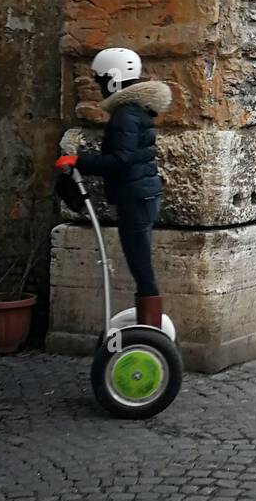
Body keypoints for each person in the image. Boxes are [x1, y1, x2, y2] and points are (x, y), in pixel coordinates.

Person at [55, 47, 172, 327]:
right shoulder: (134, 112)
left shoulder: (125, 115)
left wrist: (78, 161)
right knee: (140, 263)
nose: (98, 86)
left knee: (141, 266)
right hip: (142, 194)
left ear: (115, 78)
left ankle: (151, 327)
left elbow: (121, 160)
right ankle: (149, 324)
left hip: (136, 197)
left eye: (101, 80)